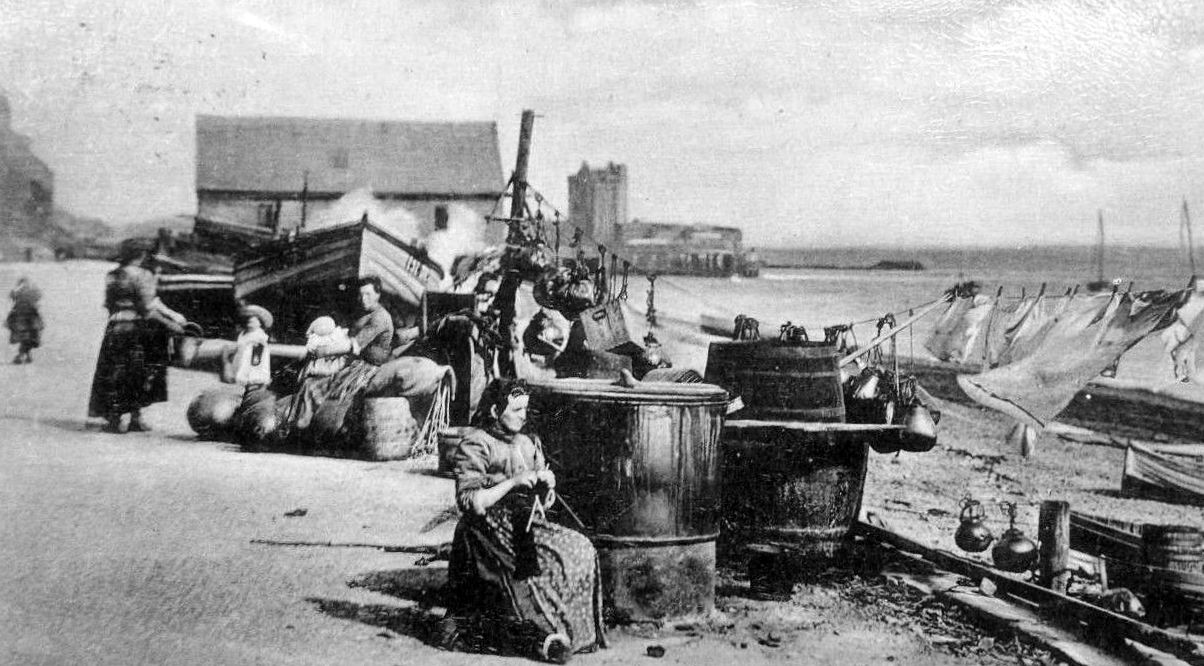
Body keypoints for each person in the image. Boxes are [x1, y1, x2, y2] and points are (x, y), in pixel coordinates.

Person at [443, 378, 605, 663]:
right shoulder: (476, 443)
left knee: (579, 549)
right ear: (495, 411)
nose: (523, 416)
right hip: (486, 530)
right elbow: (471, 502)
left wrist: (546, 487)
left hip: (523, 523)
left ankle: (575, 632)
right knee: (533, 571)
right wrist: (514, 482)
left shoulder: (526, 443)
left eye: (525, 409)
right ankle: (545, 634)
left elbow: (542, 504)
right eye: (516, 410)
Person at [88, 246, 188, 433]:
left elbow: (109, 304)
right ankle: (135, 418)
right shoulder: (143, 275)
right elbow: (148, 309)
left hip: (114, 327)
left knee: (114, 372)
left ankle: (114, 419)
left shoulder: (113, 275)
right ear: (141, 255)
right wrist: (172, 323)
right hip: (136, 328)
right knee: (138, 372)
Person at [428, 272, 504, 423]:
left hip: (481, 385)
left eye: (494, 296)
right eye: (486, 293)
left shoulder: (491, 324)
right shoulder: (462, 317)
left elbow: (493, 359)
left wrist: (496, 381)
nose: (490, 299)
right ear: (477, 292)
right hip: (459, 387)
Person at [6, 276, 43, 364]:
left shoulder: (19, 290)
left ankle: (21, 355)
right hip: (28, 315)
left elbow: (12, 296)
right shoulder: (31, 289)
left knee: (26, 336)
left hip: (23, 315)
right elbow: (38, 296)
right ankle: (25, 355)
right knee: (28, 336)